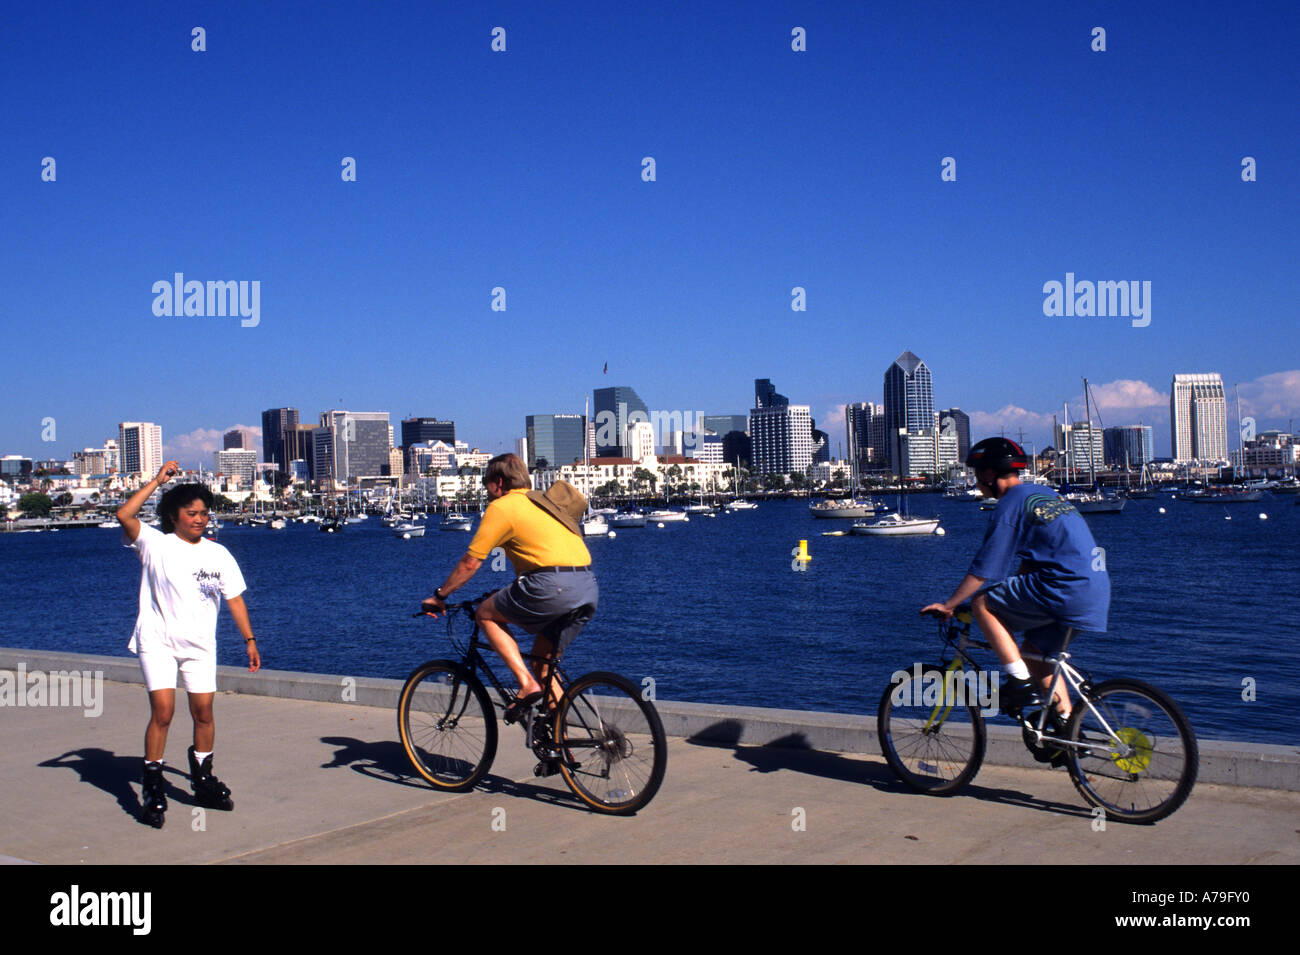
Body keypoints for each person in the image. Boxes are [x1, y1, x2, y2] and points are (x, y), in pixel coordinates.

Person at [922, 437, 1110, 751]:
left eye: (978, 473)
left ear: (989, 473)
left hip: (1062, 587)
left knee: (982, 603)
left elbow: (986, 568)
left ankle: (1019, 686)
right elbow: (1029, 562)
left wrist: (951, 604)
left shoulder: (1010, 504)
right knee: (1036, 652)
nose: (977, 481)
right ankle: (1067, 731)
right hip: (1094, 589)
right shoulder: (1044, 494)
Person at [117, 461, 260, 828]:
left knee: (204, 714)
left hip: (199, 646)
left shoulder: (218, 554)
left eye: (204, 513)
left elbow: (235, 600)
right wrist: (158, 481)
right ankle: (152, 786)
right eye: (191, 513)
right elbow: (124, 513)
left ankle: (202, 778)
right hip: (158, 641)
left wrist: (249, 640)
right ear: (173, 515)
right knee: (163, 712)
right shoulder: (153, 544)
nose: (200, 519)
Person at [421, 453, 596, 724]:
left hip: (549, 585)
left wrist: (440, 596)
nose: (487, 493)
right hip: (586, 587)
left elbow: (470, 564)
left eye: (486, 486)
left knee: (485, 615)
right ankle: (563, 748)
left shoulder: (503, 507)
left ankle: (525, 684)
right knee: (542, 662)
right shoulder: (543, 502)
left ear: (498, 483)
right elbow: (542, 556)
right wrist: (505, 593)